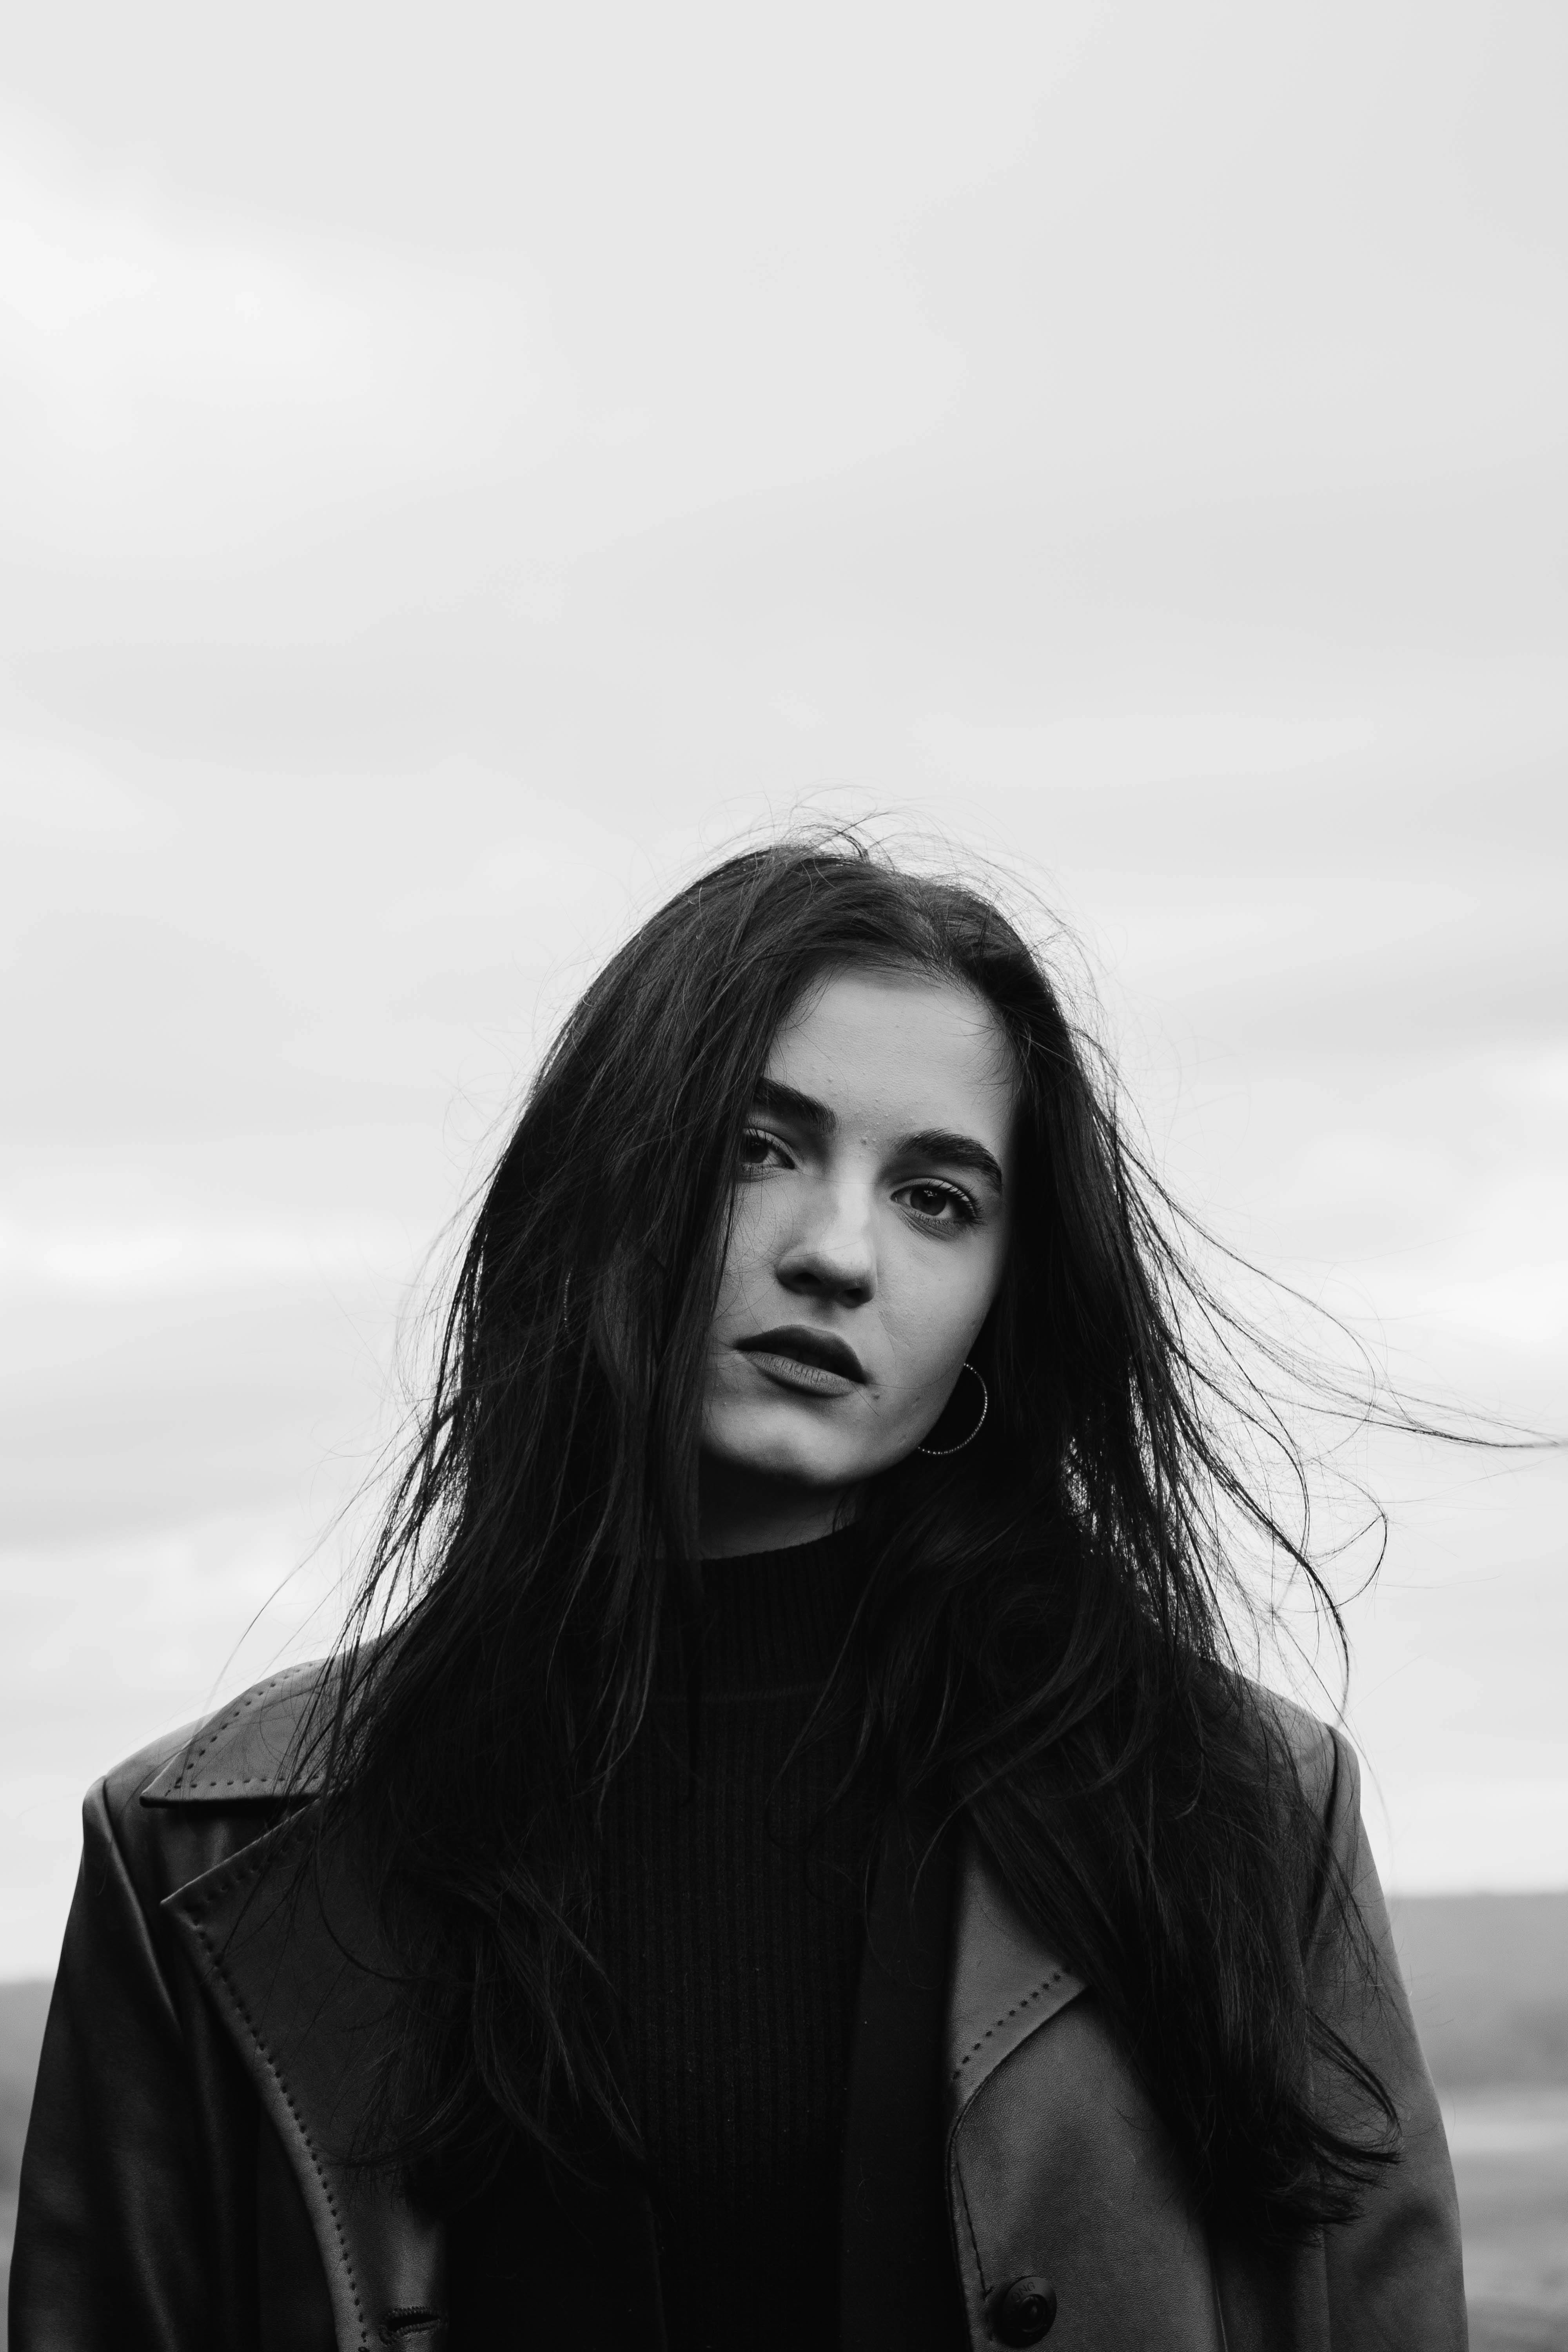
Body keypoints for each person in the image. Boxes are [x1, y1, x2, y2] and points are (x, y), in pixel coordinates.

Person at [11, 838, 1466, 2350]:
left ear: (1001, 1304)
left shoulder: (1237, 1808)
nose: (840, 1255)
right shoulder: (197, 1850)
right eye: (759, 1149)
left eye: (938, 1199)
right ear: (606, 1182)